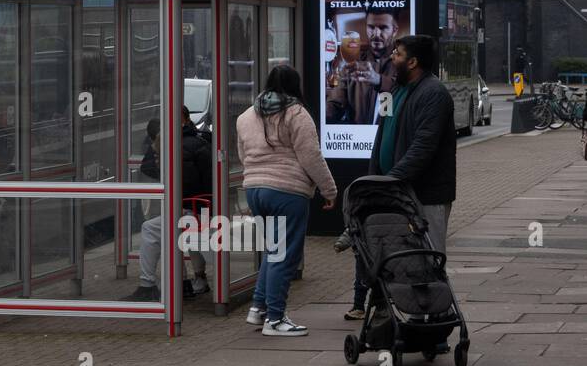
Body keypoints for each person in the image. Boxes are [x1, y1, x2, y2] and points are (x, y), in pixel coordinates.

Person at [346, 36, 457, 346]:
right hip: (395, 192)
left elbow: (422, 148)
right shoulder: (393, 89)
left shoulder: (434, 94)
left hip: (426, 194)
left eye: (397, 54)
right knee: (401, 261)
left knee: (429, 260)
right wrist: (373, 182)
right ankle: (406, 322)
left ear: (413, 62)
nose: (391, 57)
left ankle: (436, 328)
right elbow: (381, 136)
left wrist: (389, 181)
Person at [237, 65, 337, 336]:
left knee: (273, 251)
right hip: (286, 192)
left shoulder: (246, 116)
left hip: (254, 190)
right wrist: (329, 190)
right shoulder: (296, 113)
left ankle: (258, 309)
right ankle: (276, 319)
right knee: (285, 255)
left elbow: (243, 154)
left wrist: (258, 177)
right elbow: (310, 156)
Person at [126, 106, 214, 303]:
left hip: (191, 209)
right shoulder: (199, 139)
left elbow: (178, 180)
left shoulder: (173, 143)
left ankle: (147, 285)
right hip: (201, 208)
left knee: (150, 229)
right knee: (174, 232)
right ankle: (192, 280)